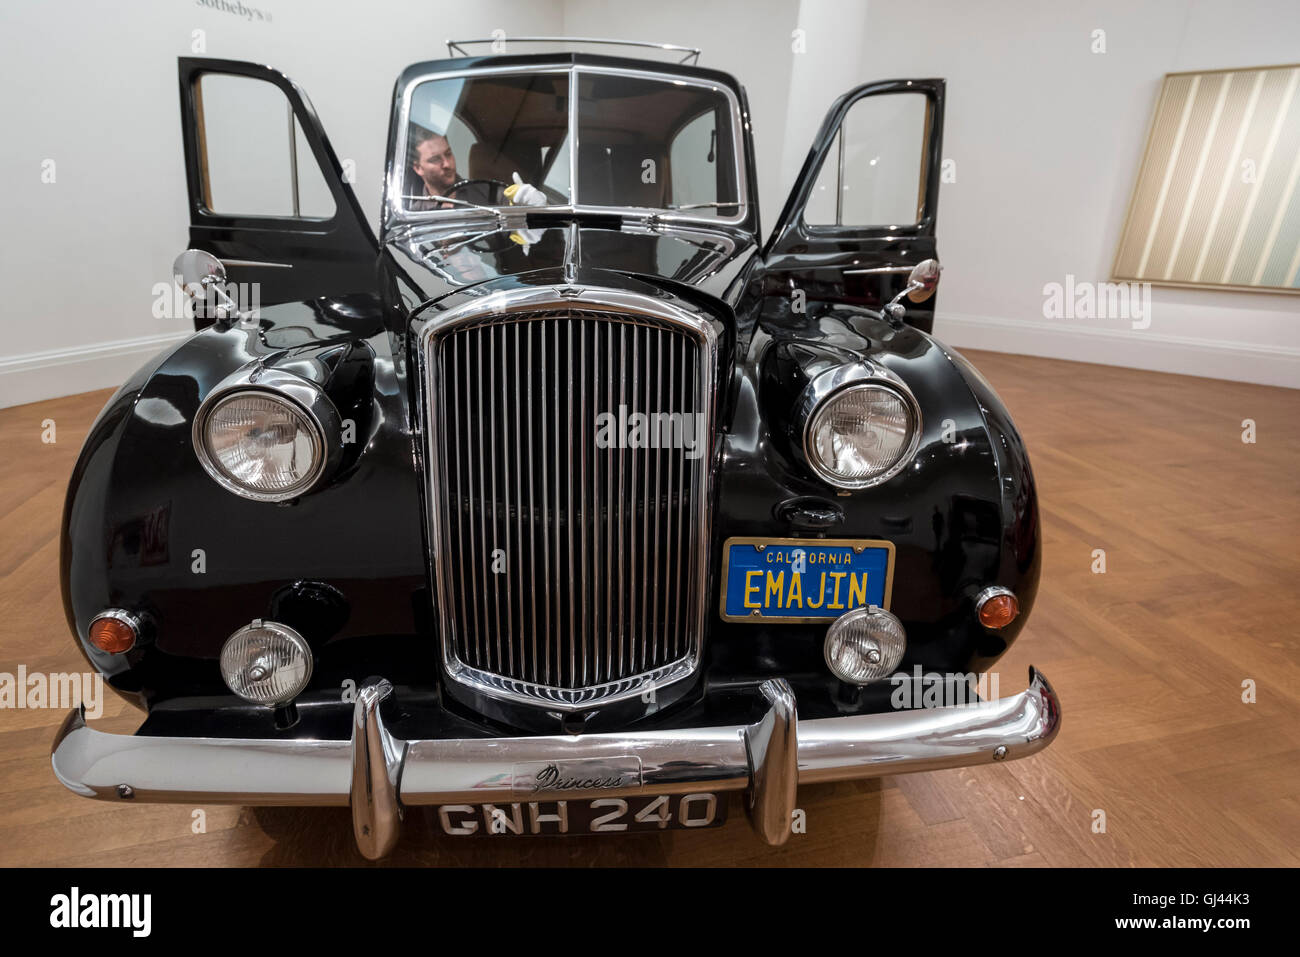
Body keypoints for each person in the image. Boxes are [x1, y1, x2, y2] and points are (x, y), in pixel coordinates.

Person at [408, 129, 546, 211]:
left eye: (448, 154)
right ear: (418, 168)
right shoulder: (413, 215)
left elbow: (513, 202)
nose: (447, 164)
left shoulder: (488, 192)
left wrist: (532, 203)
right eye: (435, 159)